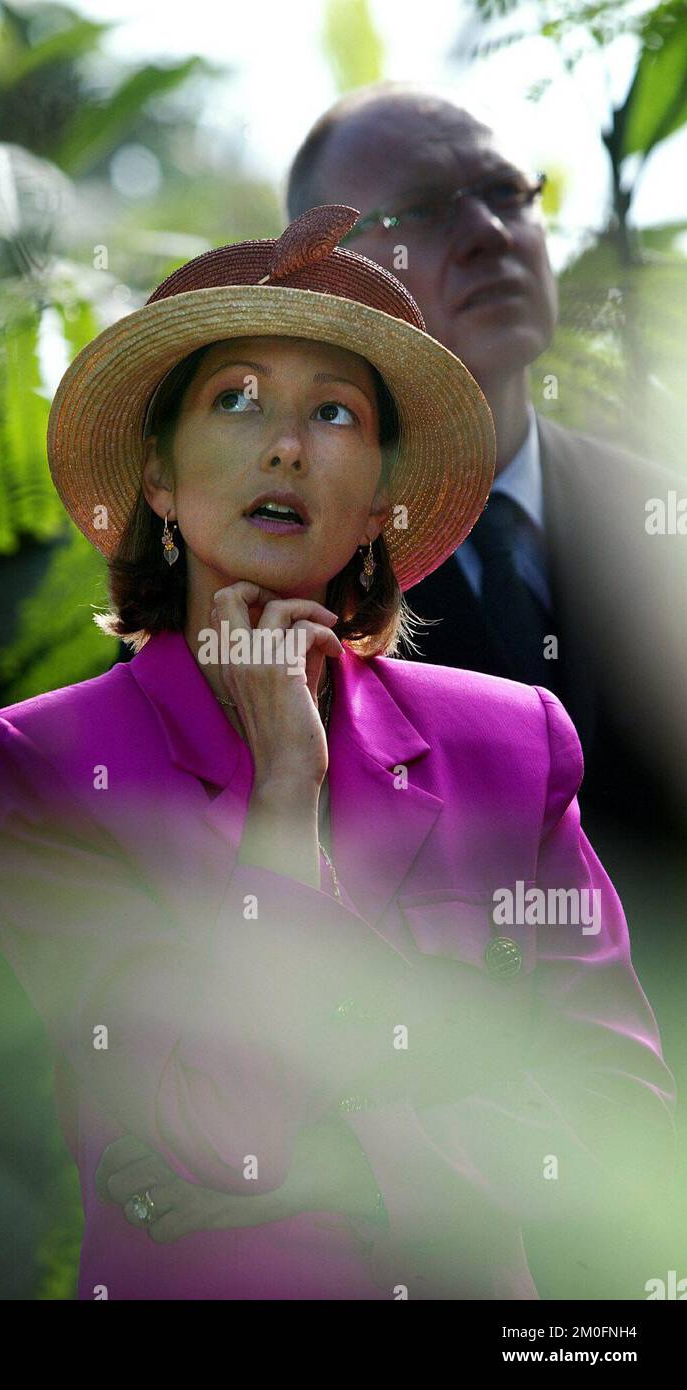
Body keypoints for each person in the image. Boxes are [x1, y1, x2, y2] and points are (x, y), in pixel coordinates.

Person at [0, 205, 675, 1301]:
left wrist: (352, 1168)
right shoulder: (37, 769)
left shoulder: (511, 743)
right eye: (233, 398)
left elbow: (620, 1124)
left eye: (333, 412)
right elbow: (218, 1129)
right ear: (157, 478)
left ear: (381, 498)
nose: (284, 443)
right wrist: (284, 791)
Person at [285, 85, 687, 966]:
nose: (489, 234)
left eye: (507, 194)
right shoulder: (260, 582)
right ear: (323, 283)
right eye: (422, 209)